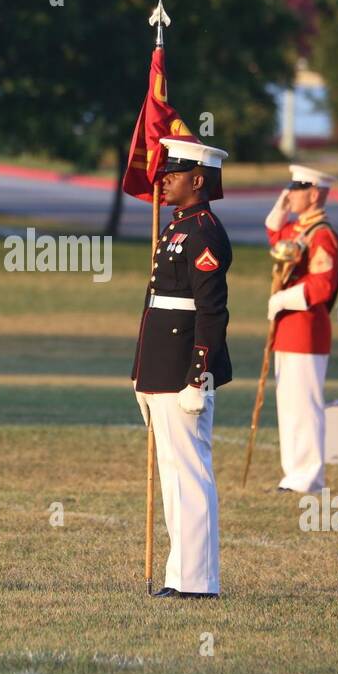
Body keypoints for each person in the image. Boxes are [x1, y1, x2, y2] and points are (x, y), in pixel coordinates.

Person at [132, 138, 231, 599]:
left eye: (173, 173)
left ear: (199, 179)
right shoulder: (178, 227)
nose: (163, 179)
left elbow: (211, 311)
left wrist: (199, 376)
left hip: (184, 371)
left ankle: (197, 580)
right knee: (173, 472)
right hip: (161, 368)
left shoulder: (204, 231)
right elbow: (157, 306)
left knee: (189, 472)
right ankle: (181, 575)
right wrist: (141, 373)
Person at [264, 165, 338, 493]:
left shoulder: (321, 234)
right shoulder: (301, 229)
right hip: (290, 328)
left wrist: (285, 297)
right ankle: (294, 472)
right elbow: (274, 236)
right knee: (289, 404)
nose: (290, 193)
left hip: (306, 327)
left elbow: (322, 286)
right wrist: (281, 206)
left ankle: (309, 475)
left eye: (296, 189)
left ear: (313, 194)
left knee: (304, 405)